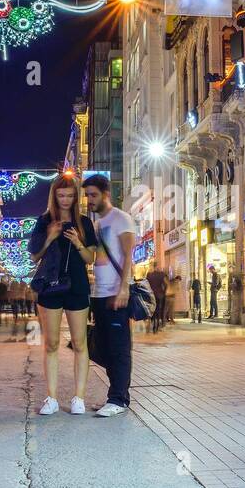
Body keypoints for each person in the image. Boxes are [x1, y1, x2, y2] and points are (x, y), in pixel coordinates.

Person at [27, 176, 97, 415]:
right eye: (61, 196)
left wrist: (78, 242)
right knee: (52, 343)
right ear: (54, 197)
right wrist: (49, 236)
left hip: (77, 285)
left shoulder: (84, 223)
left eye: (69, 195)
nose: (65, 200)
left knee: (80, 342)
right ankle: (52, 398)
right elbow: (35, 256)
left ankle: (79, 398)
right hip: (50, 286)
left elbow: (91, 259)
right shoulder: (44, 221)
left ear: (75, 197)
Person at [83, 174, 135, 417]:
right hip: (100, 295)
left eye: (93, 195)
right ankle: (116, 396)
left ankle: (118, 399)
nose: (89, 200)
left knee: (119, 348)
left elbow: (127, 256)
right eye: (87, 195)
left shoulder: (121, 219)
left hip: (116, 294)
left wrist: (123, 287)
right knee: (102, 346)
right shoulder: (97, 225)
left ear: (106, 194)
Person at [146, 264, 168, 333]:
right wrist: (164, 292)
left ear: (153, 267)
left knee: (152, 310)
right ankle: (157, 325)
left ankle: (152, 323)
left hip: (151, 295)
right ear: (158, 267)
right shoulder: (162, 274)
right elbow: (166, 284)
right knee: (159, 309)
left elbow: (146, 284)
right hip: (159, 295)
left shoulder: (149, 275)